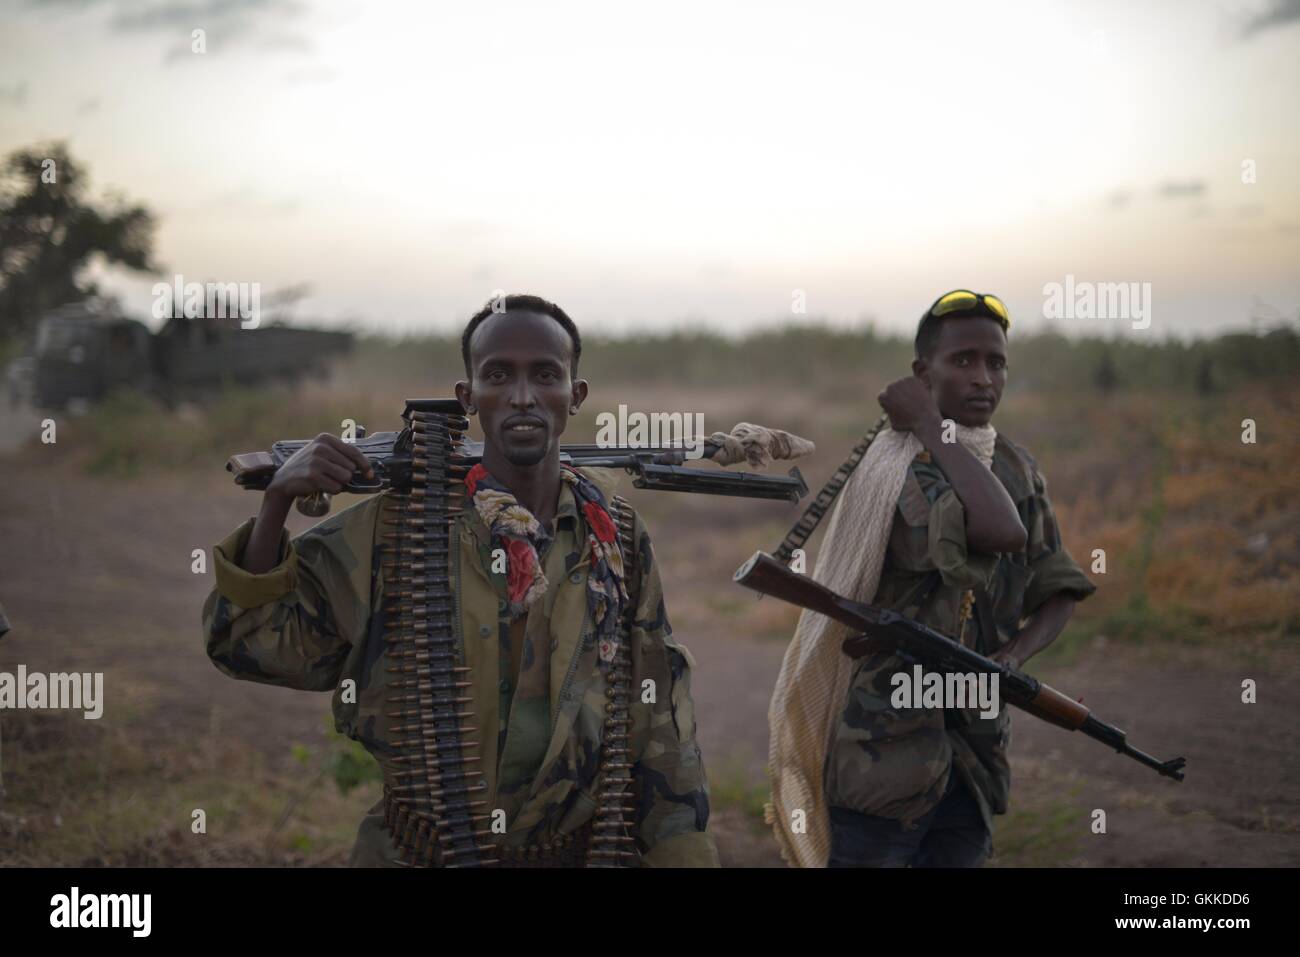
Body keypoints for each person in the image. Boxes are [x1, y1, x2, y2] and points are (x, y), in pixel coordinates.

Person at [201, 294, 718, 867]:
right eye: (499, 374)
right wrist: (276, 504)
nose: (522, 396)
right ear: (468, 398)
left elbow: (658, 716)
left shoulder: (613, 534)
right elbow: (250, 647)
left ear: (575, 394)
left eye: (545, 374)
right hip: (425, 853)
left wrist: (684, 851)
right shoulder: (394, 528)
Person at [767, 289, 1097, 868]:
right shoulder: (899, 469)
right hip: (883, 754)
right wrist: (924, 421)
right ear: (923, 374)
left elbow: (1059, 586)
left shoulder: (1015, 467)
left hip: (975, 755)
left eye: (995, 363)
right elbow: (999, 532)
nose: (983, 378)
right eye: (963, 360)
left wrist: (1014, 657)